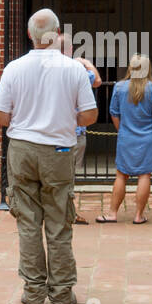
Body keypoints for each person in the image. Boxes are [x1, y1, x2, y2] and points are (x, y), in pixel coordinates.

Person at [0, 9, 98, 304]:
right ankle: (62, 294)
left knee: (28, 221)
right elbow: (90, 115)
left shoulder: (13, 68)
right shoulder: (73, 69)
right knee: (59, 222)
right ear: (56, 33)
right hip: (59, 151)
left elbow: (0, 116)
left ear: (30, 35)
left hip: (22, 149)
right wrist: (62, 118)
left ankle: (34, 292)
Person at [97, 54, 152, 224]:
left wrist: (122, 129)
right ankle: (138, 215)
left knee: (121, 175)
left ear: (131, 68)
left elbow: (114, 112)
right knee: (145, 175)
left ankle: (112, 214)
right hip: (148, 138)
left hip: (126, 137)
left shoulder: (120, 87)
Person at [58, 31, 102, 224]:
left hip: (51, 131)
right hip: (74, 133)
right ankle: (68, 213)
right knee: (69, 176)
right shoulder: (77, 69)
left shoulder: (46, 68)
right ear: (71, 49)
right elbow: (98, 80)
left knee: (52, 174)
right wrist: (85, 61)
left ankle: (52, 211)